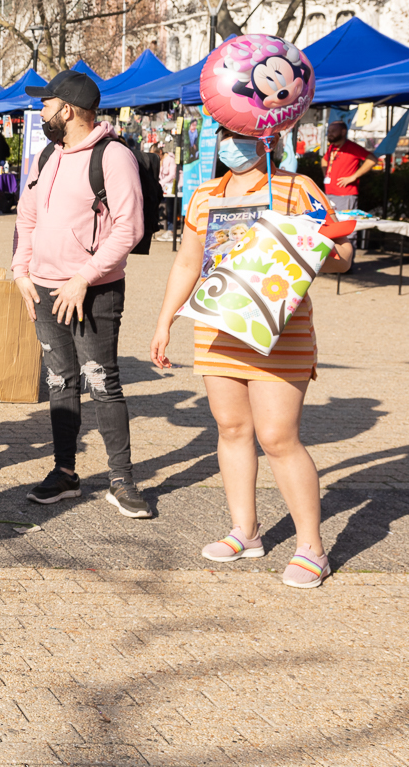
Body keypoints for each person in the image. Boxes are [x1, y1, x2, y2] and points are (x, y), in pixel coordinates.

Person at [151, 131, 353, 587]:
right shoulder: (205, 194)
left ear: (268, 138)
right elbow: (188, 262)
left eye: (242, 134)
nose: (231, 143)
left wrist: (313, 244)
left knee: (278, 437)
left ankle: (312, 548)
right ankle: (245, 531)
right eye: (226, 133)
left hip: (279, 332)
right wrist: (165, 321)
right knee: (231, 429)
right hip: (217, 328)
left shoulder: (297, 187)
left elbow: (343, 256)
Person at [11, 70, 150, 517]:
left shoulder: (114, 156)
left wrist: (84, 278)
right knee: (60, 381)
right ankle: (65, 472)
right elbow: (27, 218)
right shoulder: (46, 155)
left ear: (67, 110)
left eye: (46, 104)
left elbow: (129, 228)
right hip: (44, 289)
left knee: (101, 381)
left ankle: (121, 480)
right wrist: (20, 271)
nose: (41, 111)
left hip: (93, 292)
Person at [323, 119, 379, 212]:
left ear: (343, 132)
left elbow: (372, 160)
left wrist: (353, 177)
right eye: (329, 131)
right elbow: (324, 160)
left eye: (333, 131)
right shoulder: (332, 147)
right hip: (329, 193)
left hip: (345, 195)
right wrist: (325, 173)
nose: (330, 134)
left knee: (343, 220)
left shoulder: (352, 147)